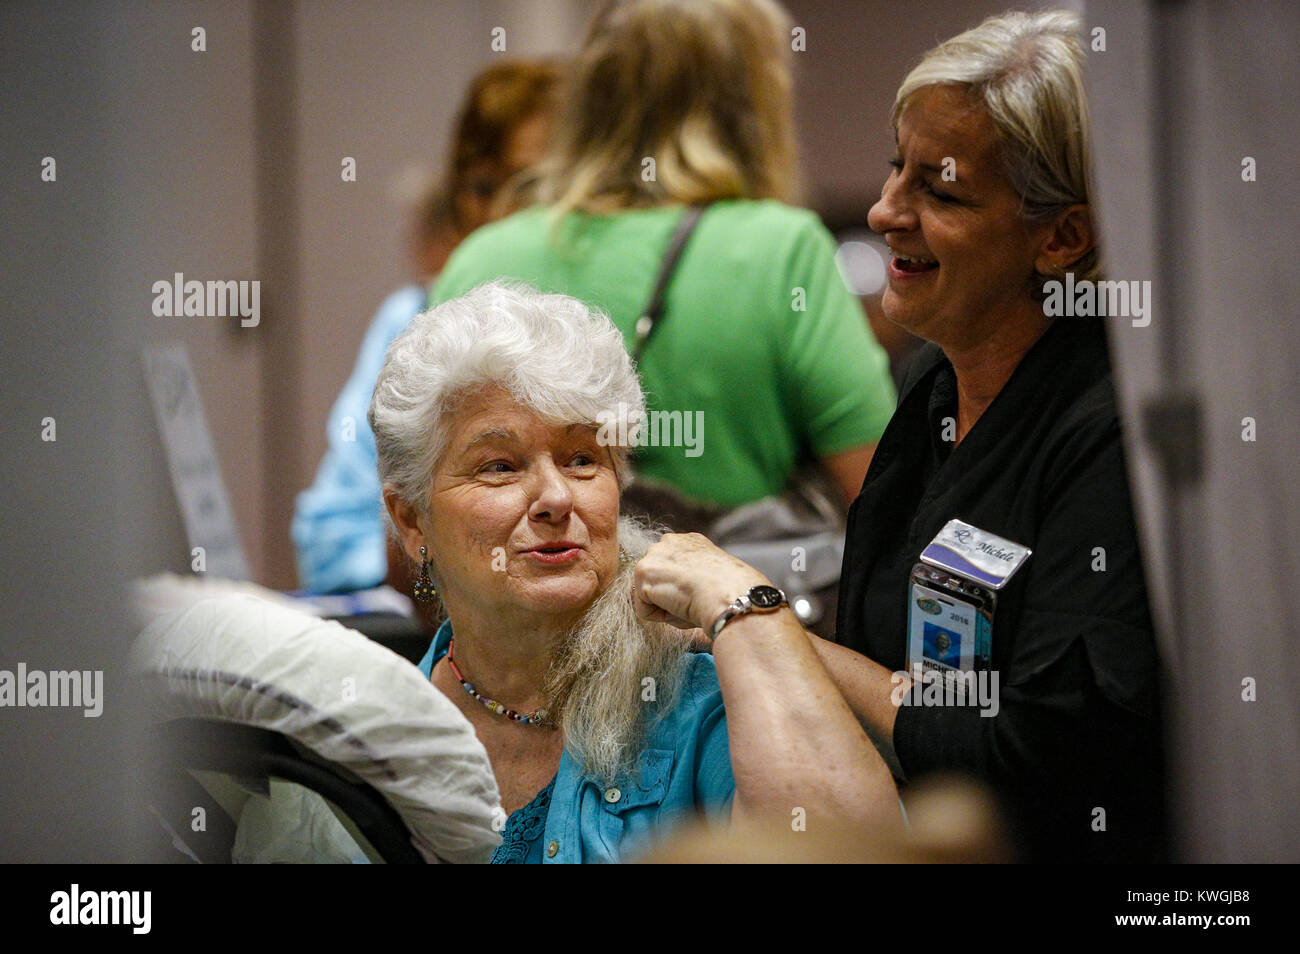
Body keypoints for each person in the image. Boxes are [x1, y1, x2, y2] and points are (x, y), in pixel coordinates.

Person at [635, 10, 1166, 862]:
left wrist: (757, 621)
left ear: (1062, 236)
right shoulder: (929, 378)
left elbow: (1033, 759)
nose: (884, 213)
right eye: (895, 170)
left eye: (941, 193)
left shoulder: (1105, 433)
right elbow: (890, 654)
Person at [370, 281, 900, 863]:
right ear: (412, 521)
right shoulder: (377, 736)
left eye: (582, 459)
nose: (556, 497)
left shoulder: (703, 703)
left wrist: (743, 605)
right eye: (499, 465)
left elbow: (851, 852)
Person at [429, 0, 896, 516]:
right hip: (726, 591)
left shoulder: (481, 258)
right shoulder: (783, 250)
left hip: (523, 590)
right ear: (754, 104)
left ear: (587, 93)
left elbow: (415, 509)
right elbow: (878, 500)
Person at [293, 59, 562, 595]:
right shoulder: (412, 320)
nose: (499, 215)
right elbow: (327, 540)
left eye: (530, 188)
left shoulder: (607, 322)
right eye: (482, 188)